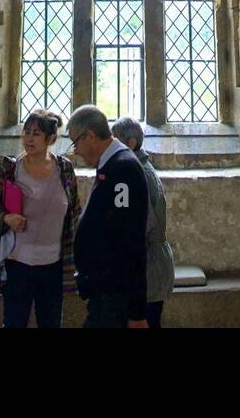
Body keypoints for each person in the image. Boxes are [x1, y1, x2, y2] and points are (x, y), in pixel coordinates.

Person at [0, 109, 80, 329]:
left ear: (51, 139)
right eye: (26, 132)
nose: (29, 138)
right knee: (14, 323)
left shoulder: (65, 170)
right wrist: (6, 218)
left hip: (54, 266)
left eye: (36, 133)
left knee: (51, 322)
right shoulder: (10, 169)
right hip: (18, 264)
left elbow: (75, 212)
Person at [65, 104, 149, 329]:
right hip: (104, 292)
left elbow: (131, 240)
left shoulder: (123, 169)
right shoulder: (109, 165)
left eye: (76, 142)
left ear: (90, 136)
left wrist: (137, 311)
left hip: (115, 296)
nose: (76, 151)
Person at [113, 117, 175, 328]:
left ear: (130, 143)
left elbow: (140, 224)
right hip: (147, 266)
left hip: (148, 268)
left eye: (115, 140)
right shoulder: (138, 166)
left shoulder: (136, 172)